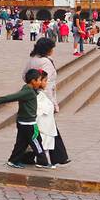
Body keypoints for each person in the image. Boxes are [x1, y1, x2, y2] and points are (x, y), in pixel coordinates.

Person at [0, 68, 47, 169]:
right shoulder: (28, 92)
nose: (40, 82)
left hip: (23, 122)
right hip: (28, 123)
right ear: (33, 81)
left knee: (21, 144)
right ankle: (43, 161)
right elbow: (13, 97)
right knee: (36, 140)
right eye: (39, 80)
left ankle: (13, 160)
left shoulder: (28, 89)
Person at [27, 37, 70, 165]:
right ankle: (57, 156)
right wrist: (53, 103)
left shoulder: (32, 59)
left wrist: (32, 85)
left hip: (33, 96)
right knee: (48, 129)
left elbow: (25, 75)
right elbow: (49, 84)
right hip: (44, 99)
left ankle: (28, 155)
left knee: (35, 128)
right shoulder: (45, 62)